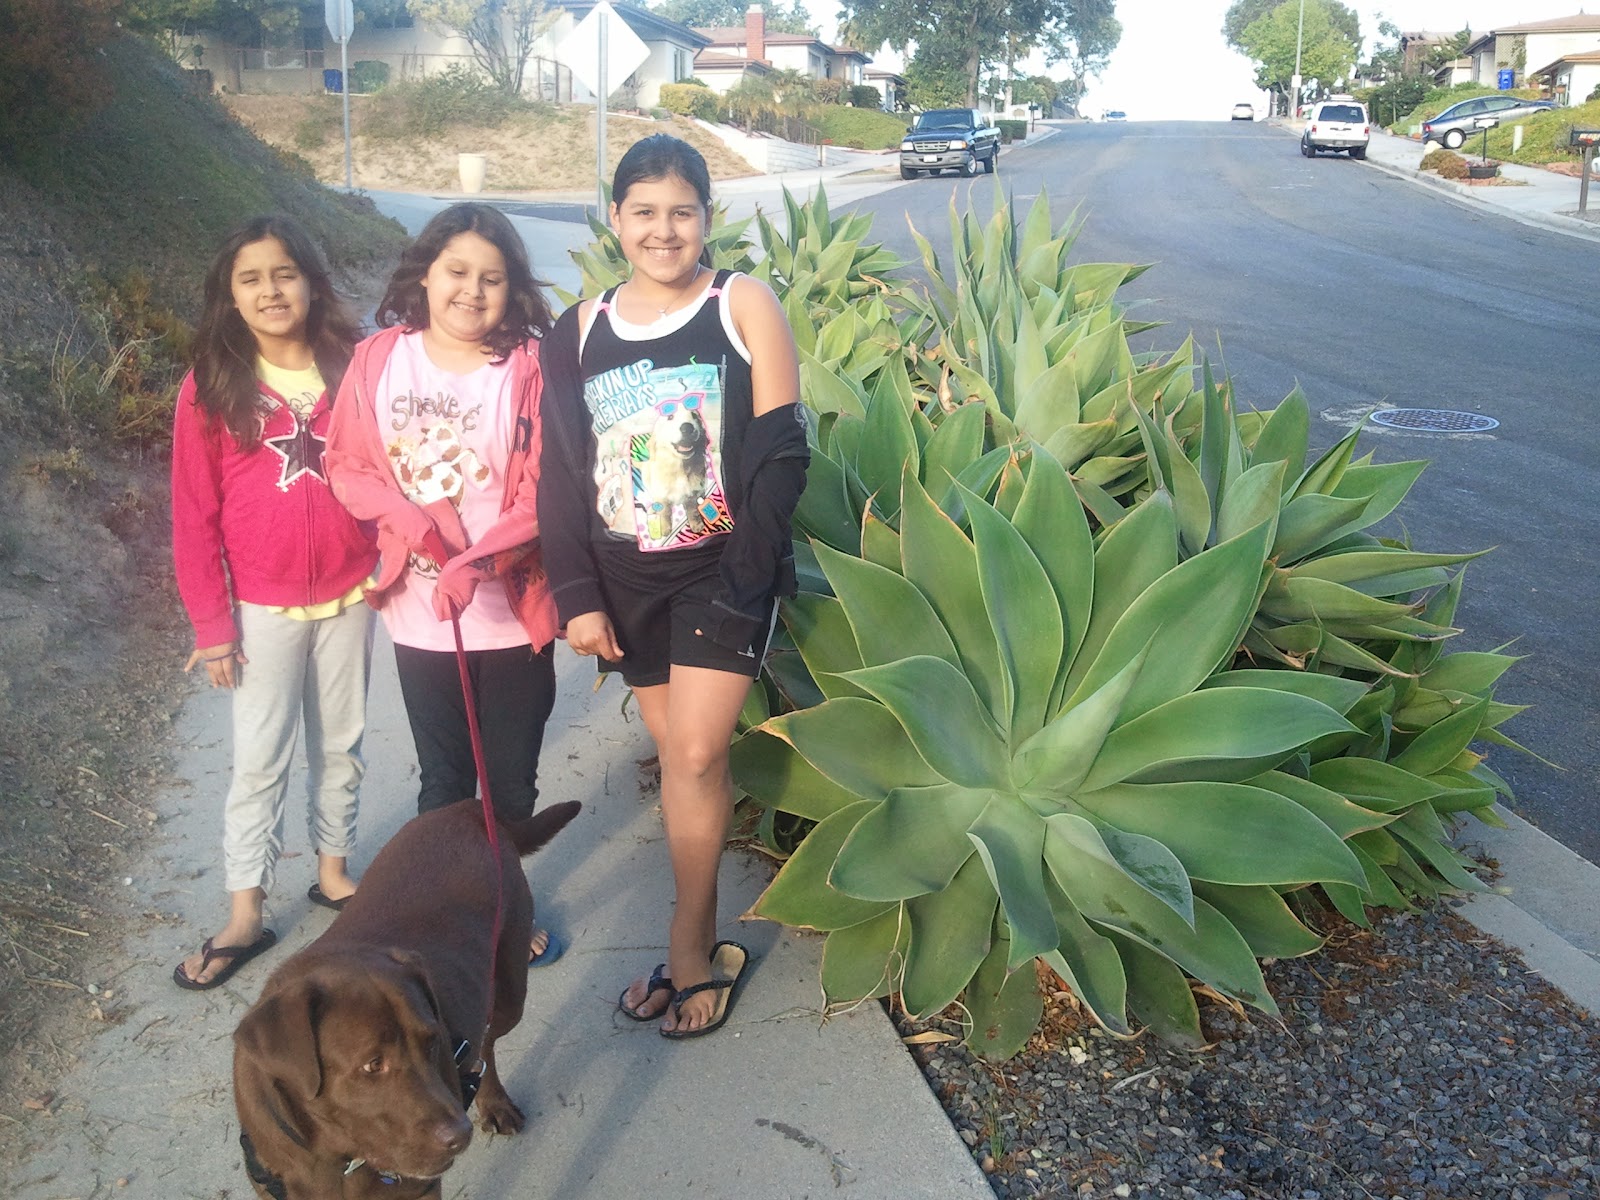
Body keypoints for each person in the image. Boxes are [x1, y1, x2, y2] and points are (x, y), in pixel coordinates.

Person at [538, 134, 809, 1038]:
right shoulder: (577, 330)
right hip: (624, 584)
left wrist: (745, 579)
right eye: (644, 212)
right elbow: (561, 474)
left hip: (721, 576)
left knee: (693, 754)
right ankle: (703, 942)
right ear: (615, 218)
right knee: (689, 761)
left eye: (682, 212)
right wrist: (575, 593)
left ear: (706, 217)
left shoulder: (742, 303)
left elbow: (780, 451)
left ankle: (689, 946)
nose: (664, 231)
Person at [324, 203, 565, 966]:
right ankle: (442, 919)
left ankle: (498, 906)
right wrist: (423, 535)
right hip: (422, 616)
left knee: (510, 784)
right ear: (424, 275)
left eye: (491, 278)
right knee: (445, 782)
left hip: (510, 608)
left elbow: (542, 488)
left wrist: (474, 562)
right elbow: (348, 464)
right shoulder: (379, 359)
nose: (472, 290)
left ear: (512, 288)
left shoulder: (527, 364)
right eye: (456, 272)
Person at [170, 216, 377, 990]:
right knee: (261, 760)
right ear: (230, 296)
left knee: (343, 741)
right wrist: (212, 628)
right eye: (250, 278)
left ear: (310, 281)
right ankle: (246, 911)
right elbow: (193, 514)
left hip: (353, 592)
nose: (270, 290)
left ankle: (332, 870)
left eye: (284, 273)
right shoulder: (213, 385)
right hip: (261, 608)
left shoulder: (350, 368)